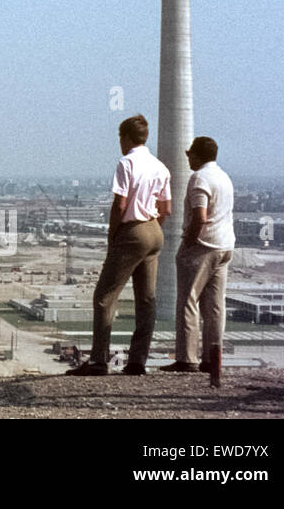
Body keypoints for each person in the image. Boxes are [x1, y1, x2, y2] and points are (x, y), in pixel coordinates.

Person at [66, 114, 171, 375]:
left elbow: (120, 204)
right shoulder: (160, 166)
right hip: (154, 229)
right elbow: (166, 208)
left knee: (104, 297)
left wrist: (114, 235)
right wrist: (153, 228)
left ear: (125, 138)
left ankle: (99, 361)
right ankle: (138, 362)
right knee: (146, 299)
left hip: (131, 231)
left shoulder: (127, 163)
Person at [161, 136, 234, 374]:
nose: (188, 157)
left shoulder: (200, 177)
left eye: (190, 153)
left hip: (202, 245)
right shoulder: (224, 177)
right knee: (215, 307)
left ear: (198, 155)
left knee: (188, 301)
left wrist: (188, 242)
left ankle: (187, 359)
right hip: (224, 246)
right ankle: (213, 358)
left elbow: (200, 216)